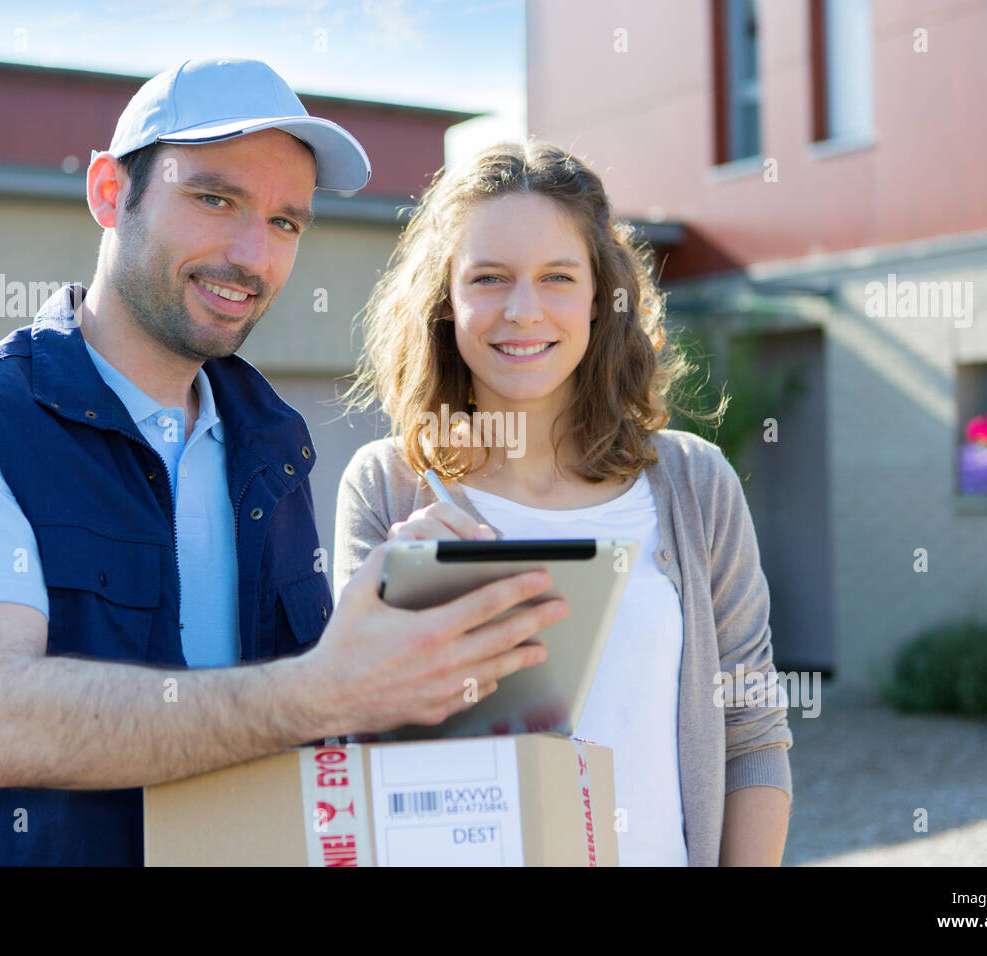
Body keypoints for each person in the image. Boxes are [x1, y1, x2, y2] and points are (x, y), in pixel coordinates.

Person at [0, 58, 565, 866]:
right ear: (109, 193)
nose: (252, 255)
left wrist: (409, 637)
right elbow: (2, 722)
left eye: (286, 222)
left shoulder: (272, 446)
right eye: (214, 199)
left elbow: (284, 722)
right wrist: (326, 688)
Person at [334, 140, 794, 866]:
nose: (524, 311)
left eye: (557, 277)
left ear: (599, 296)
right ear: (445, 301)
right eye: (489, 278)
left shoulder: (694, 484)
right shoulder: (388, 487)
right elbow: (357, 738)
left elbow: (753, 734)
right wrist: (398, 602)